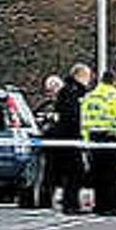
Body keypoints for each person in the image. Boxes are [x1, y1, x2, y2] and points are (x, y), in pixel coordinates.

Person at [81, 70, 116, 216]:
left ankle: (100, 205)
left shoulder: (91, 96)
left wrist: (86, 139)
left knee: (98, 174)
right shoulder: (114, 95)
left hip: (93, 138)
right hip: (111, 138)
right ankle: (112, 206)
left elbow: (84, 119)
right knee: (113, 176)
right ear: (114, 81)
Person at [52, 63, 92, 214]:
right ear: (80, 76)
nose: (88, 80)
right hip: (71, 138)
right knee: (74, 172)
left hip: (68, 137)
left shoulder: (67, 90)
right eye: (87, 77)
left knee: (73, 172)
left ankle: (71, 203)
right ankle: (70, 205)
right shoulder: (74, 92)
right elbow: (73, 116)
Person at [33, 75, 64, 208]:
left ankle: (67, 199)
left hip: (64, 145)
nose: (50, 94)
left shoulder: (66, 104)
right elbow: (36, 120)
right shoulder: (44, 105)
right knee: (48, 174)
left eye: (52, 90)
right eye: (48, 91)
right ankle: (45, 201)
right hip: (48, 146)